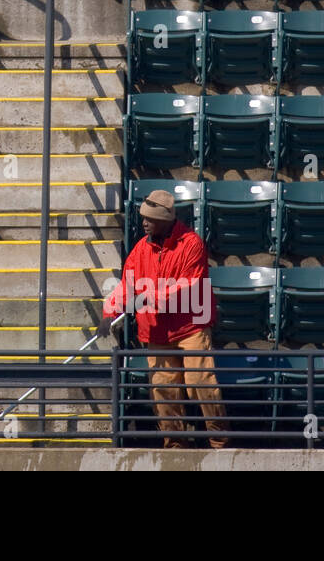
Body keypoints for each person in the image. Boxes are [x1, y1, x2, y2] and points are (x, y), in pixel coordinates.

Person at [99, 189, 229, 450]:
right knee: (164, 390)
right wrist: (109, 311)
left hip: (190, 325)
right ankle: (174, 446)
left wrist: (149, 297)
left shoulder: (191, 243)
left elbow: (188, 285)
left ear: (165, 220)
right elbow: (127, 285)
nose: (144, 223)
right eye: (143, 218)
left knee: (201, 383)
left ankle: (220, 442)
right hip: (157, 331)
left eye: (150, 219)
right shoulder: (140, 250)